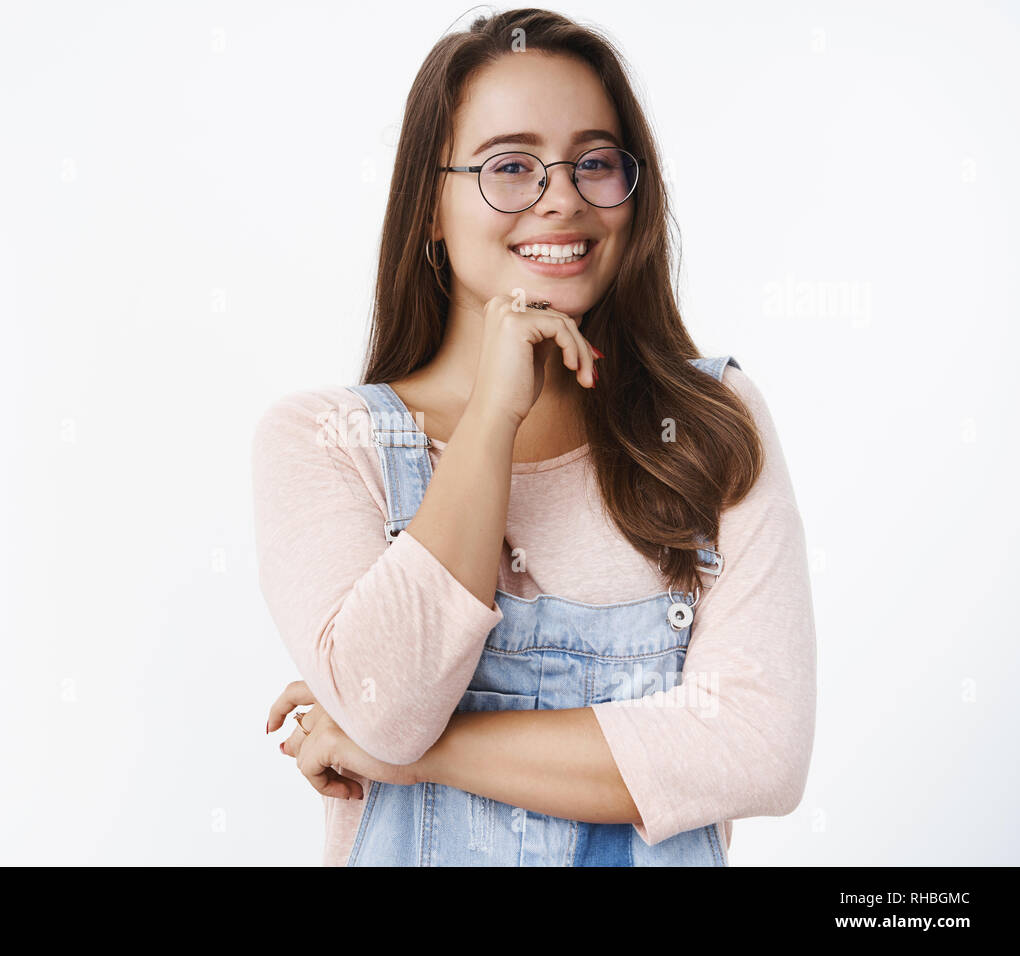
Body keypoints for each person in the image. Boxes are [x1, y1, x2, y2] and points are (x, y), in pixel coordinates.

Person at [253, 7, 816, 866]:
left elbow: (757, 748)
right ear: (429, 209)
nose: (563, 197)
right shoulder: (324, 442)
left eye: (595, 162)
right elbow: (388, 706)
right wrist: (490, 418)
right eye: (510, 166)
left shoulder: (711, 424)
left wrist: (423, 756)